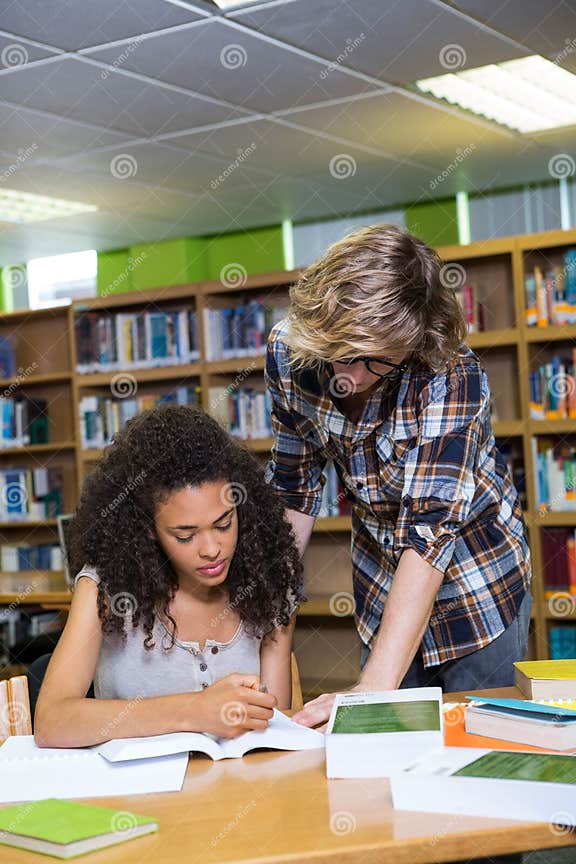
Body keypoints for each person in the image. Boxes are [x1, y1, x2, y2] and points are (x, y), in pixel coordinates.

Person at [265, 224, 532, 732]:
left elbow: (430, 534)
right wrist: (267, 611)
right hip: (382, 574)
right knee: (390, 746)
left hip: (479, 581)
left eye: (377, 359)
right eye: (341, 351)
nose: (355, 374)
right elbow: (294, 487)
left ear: (413, 345)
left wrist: (372, 687)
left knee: (478, 741)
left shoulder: (450, 375)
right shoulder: (289, 352)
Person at [35, 405, 304, 748]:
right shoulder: (105, 589)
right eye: (185, 535)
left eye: (224, 524)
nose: (212, 549)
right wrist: (194, 710)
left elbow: (273, 730)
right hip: (136, 797)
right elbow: (51, 722)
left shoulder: (268, 583)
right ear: (148, 529)